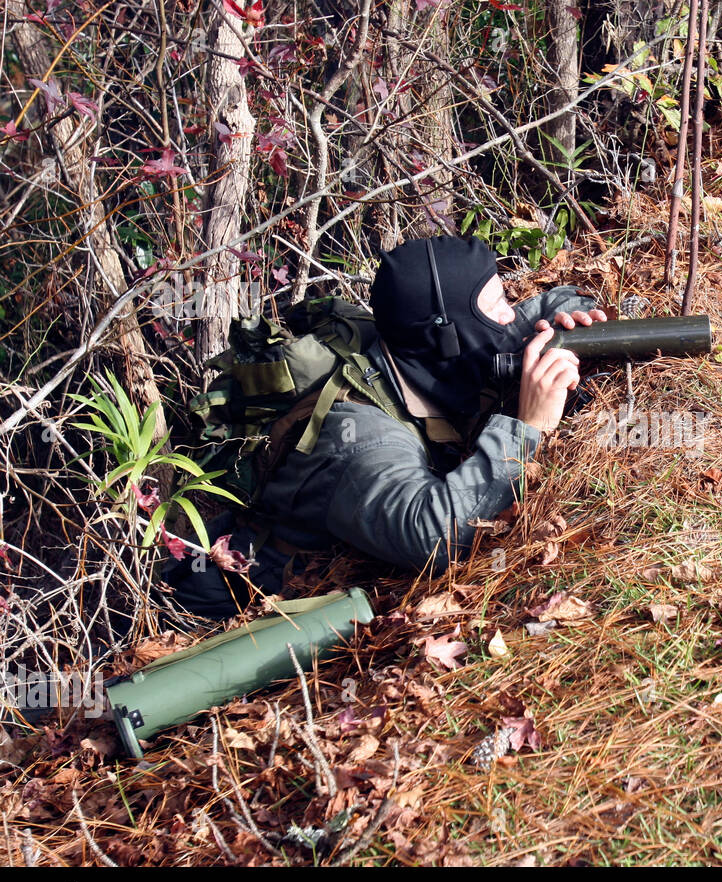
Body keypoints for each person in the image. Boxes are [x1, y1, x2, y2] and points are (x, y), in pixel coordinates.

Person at [161, 236, 607, 620]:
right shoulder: (358, 437)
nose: (509, 317)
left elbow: (537, 311)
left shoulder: (423, 349)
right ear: (446, 334)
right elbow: (432, 535)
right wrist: (528, 426)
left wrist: (571, 319)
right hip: (232, 609)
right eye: (494, 307)